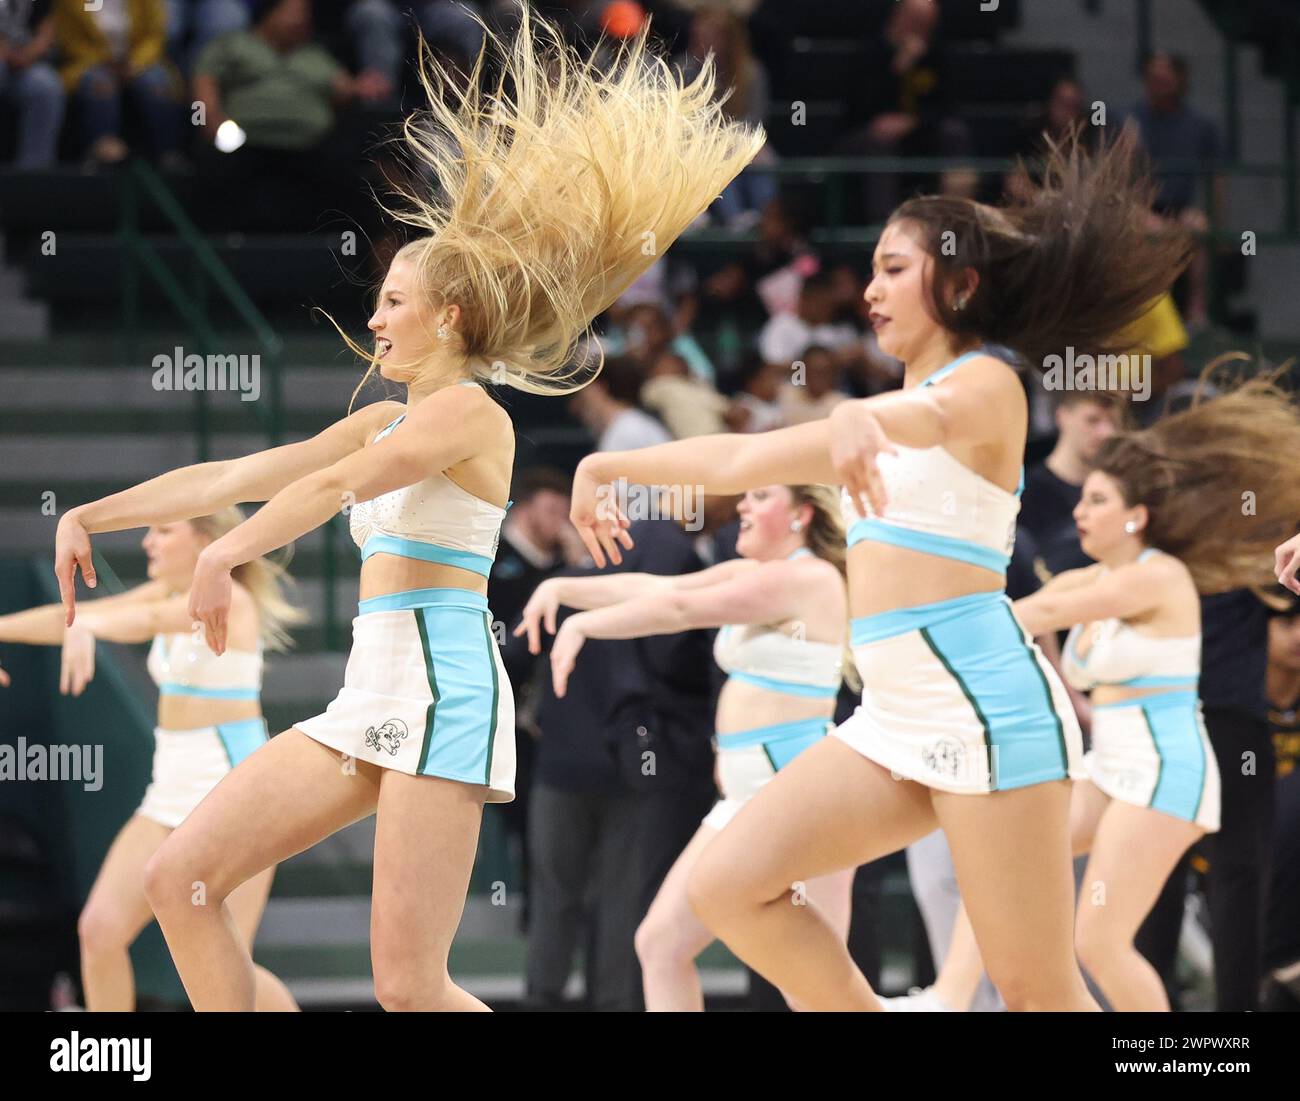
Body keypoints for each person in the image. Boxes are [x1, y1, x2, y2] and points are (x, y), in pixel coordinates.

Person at [52, 9, 763, 1011]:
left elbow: (333, 490)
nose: (375, 316)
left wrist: (226, 558)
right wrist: (93, 513)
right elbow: (238, 477)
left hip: (444, 693)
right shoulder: (389, 415)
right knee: (181, 883)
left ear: (452, 317)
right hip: (370, 690)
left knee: (409, 986)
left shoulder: (471, 415)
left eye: (394, 299)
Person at [565, 127, 1194, 1011]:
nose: (870, 288)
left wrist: (865, 418)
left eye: (894, 267)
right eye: (870, 270)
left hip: (987, 712)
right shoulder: (885, 407)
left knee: (1036, 989)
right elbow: (741, 462)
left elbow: (926, 418)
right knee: (727, 886)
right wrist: (610, 467)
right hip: (893, 716)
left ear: (961, 282)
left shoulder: (989, 386)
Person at [518, 484, 855, 1010]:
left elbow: (679, 608)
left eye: (761, 497)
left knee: (816, 989)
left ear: (801, 514)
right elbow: (655, 587)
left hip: (800, 795)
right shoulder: (760, 574)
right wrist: (564, 588)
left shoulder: (807, 578)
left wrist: (585, 624)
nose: (741, 506)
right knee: (660, 944)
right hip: (747, 797)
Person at [0, 510, 301, 1011]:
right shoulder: (164, 593)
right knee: (99, 931)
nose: (147, 543)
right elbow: (69, 618)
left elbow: (136, 623)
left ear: (206, 541)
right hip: (170, 787)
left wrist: (89, 628)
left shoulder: (232, 599)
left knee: (229, 962)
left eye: (163, 531)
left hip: (231, 788)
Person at [0, 0, 63, 170]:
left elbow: (46, 28)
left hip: (25, 62)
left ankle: (33, 173)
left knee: (46, 86)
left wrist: (28, 54)